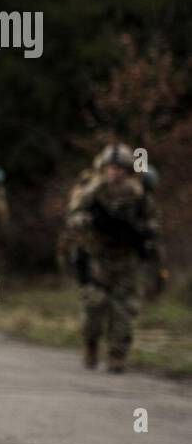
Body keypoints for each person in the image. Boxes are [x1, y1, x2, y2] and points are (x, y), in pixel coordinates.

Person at [66, 143, 163, 373]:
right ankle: (91, 346)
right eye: (110, 167)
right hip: (97, 256)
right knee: (94, 305)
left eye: (119, 168)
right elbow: (74, 215)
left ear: (127, 169)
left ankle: (117, 356)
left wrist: (146, 236)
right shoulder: (92, 190)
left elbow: (151, 221)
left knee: (124, 310)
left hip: (127, 258)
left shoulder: (138, 193)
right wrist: (86, 221)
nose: (114, 172)